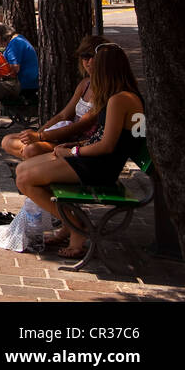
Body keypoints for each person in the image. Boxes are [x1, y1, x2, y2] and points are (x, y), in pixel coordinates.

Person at [14, 43, 146, 259]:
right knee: (23, 169)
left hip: (100, 167)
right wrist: (74, 146)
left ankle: (76, 226)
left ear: (107, 68)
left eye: (96, 62)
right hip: (93, 158)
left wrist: (74, 151)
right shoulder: (118, 95)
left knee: (25, 179)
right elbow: (104, 138)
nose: (90, 65)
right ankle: (69, 225)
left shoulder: (120, 99)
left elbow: (107, 146)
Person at [2, 35, 107, 160]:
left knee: (31, 150)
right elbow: (63, 115)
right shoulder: (85, 84)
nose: (88, 62)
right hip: (64, 135)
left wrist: (41, 136)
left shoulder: (106, 89)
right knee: (7, 140)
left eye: (93, 57)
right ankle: (39, 163)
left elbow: (82, 125)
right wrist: (38, 134)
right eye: (84, 57)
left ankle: (39, 165)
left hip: (81, 143)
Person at [0, 22, 39, 92]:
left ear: (1, 34)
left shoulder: (15, 43)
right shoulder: (17, 39)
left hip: (26, 85)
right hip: (29, 82)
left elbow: (14, 69)